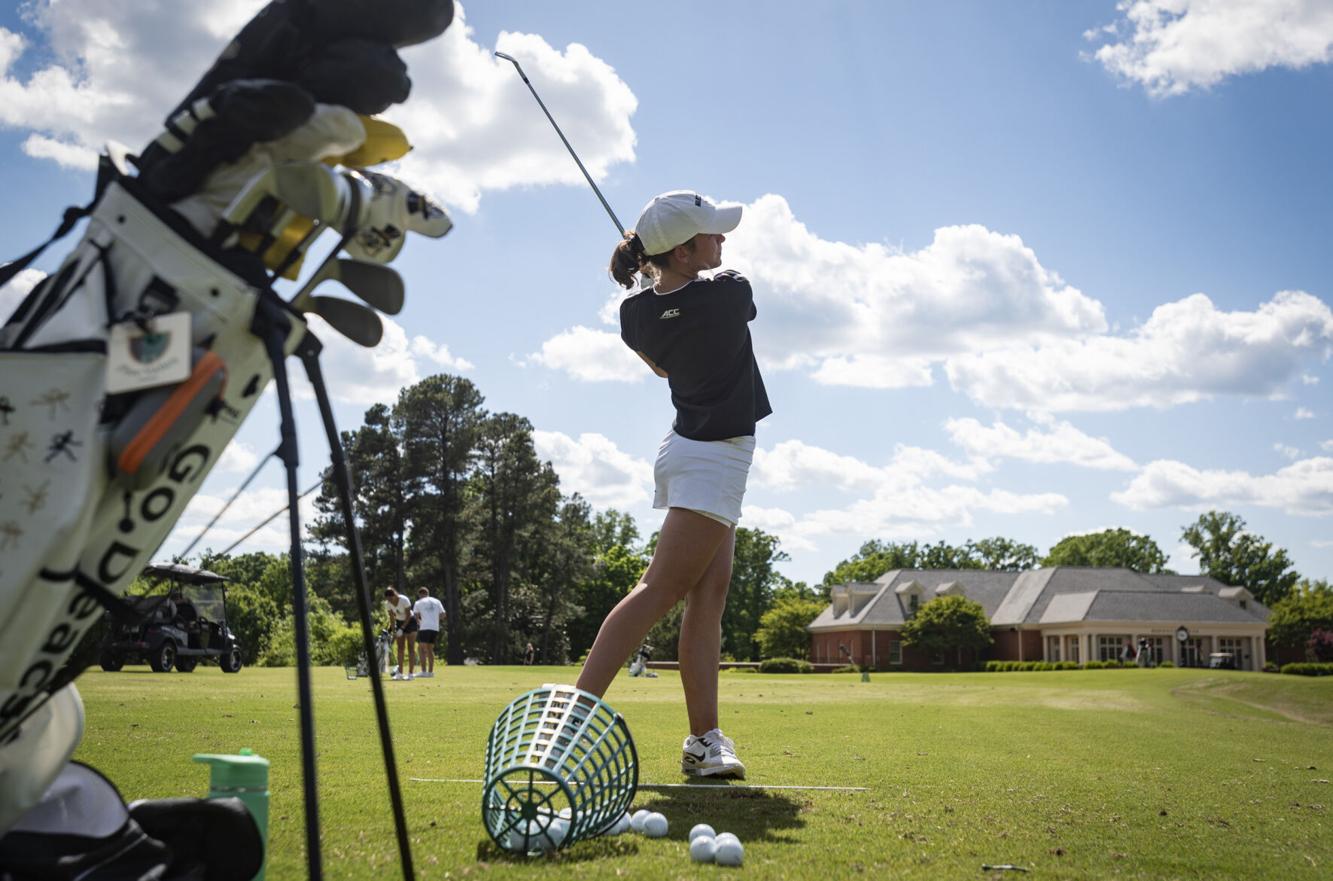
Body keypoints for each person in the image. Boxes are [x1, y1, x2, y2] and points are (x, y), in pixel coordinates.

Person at [574, 191, 771, 780]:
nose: (723, 241)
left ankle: (703, 741)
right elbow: (699, 312)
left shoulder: (633, 314)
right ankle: (569, 719)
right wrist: (668, 289)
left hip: (690, 449)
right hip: (713, 457)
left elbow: (660, 361)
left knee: (707, 595)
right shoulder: (731, 292)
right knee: (658, 588)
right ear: (683, 252)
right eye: (711, 234)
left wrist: (660, 288)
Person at [383, 587, 417, 680]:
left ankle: (410, 674)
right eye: (387, 599)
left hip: (410, 622)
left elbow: (409, 615)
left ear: (394, 595)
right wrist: (394, 631)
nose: (389, 600)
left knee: (410, 647)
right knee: (400, 648)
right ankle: (400, 673)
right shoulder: (388, 604)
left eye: (391, 598)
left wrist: (402, 629)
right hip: (399, 622)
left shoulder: (404, 599)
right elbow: (392, 618)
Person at [413, 587, 444, 678]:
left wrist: (420, 623)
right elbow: (443, 614)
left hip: (425, 627)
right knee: (430, 649)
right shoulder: (437, 601)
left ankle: (423, 671)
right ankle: (430, 672)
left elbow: (416, 616)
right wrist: (434, 619)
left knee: (421, 649)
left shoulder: (418, 602)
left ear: (420, 594)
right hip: (435, 628)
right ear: (428, 593)